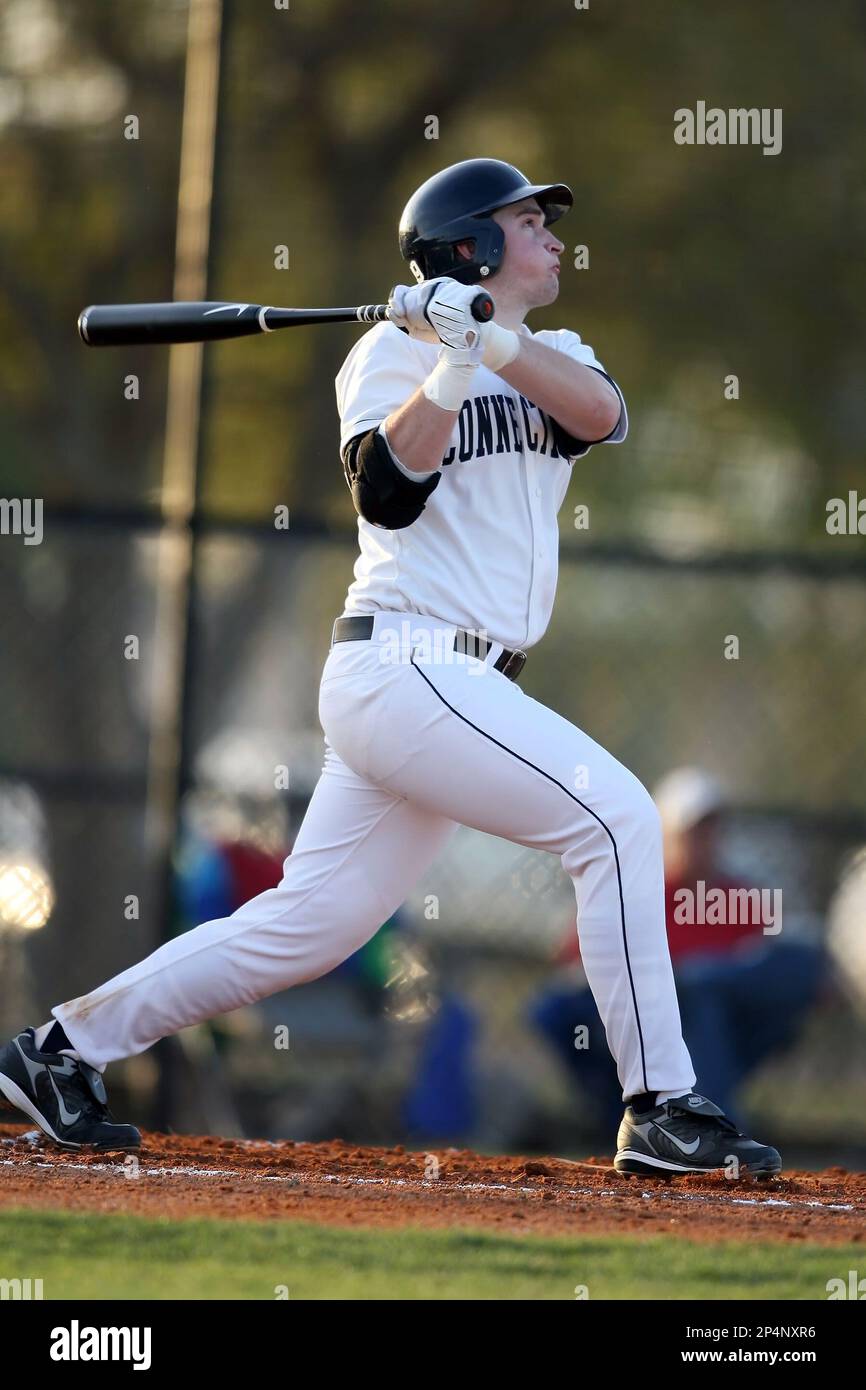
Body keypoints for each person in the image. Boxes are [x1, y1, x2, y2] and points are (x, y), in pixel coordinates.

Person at [0, 159, 781, 1177]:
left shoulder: (551, 351)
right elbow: (385, 494)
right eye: (526, 220)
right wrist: (446, 365)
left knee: (304, 927)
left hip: (461, 688)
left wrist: (487, 339)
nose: (549, 235)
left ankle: (59, 1051)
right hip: (407, 663)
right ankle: (661, 1104)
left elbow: (597, 414)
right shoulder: (383, 354)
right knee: (617, 817)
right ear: (471, 244)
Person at [529, 767, 827, 1134]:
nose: (703, 841)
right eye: (692, 832)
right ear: (664, 836)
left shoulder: (742, 899)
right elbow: (573, 965)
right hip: (640, 1026)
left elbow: (768, 973)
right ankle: (622, 1116)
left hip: (717, 1030)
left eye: (711, 830)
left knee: (706, 992)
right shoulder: (631, 891)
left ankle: (702, 1123)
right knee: (558, 1009)